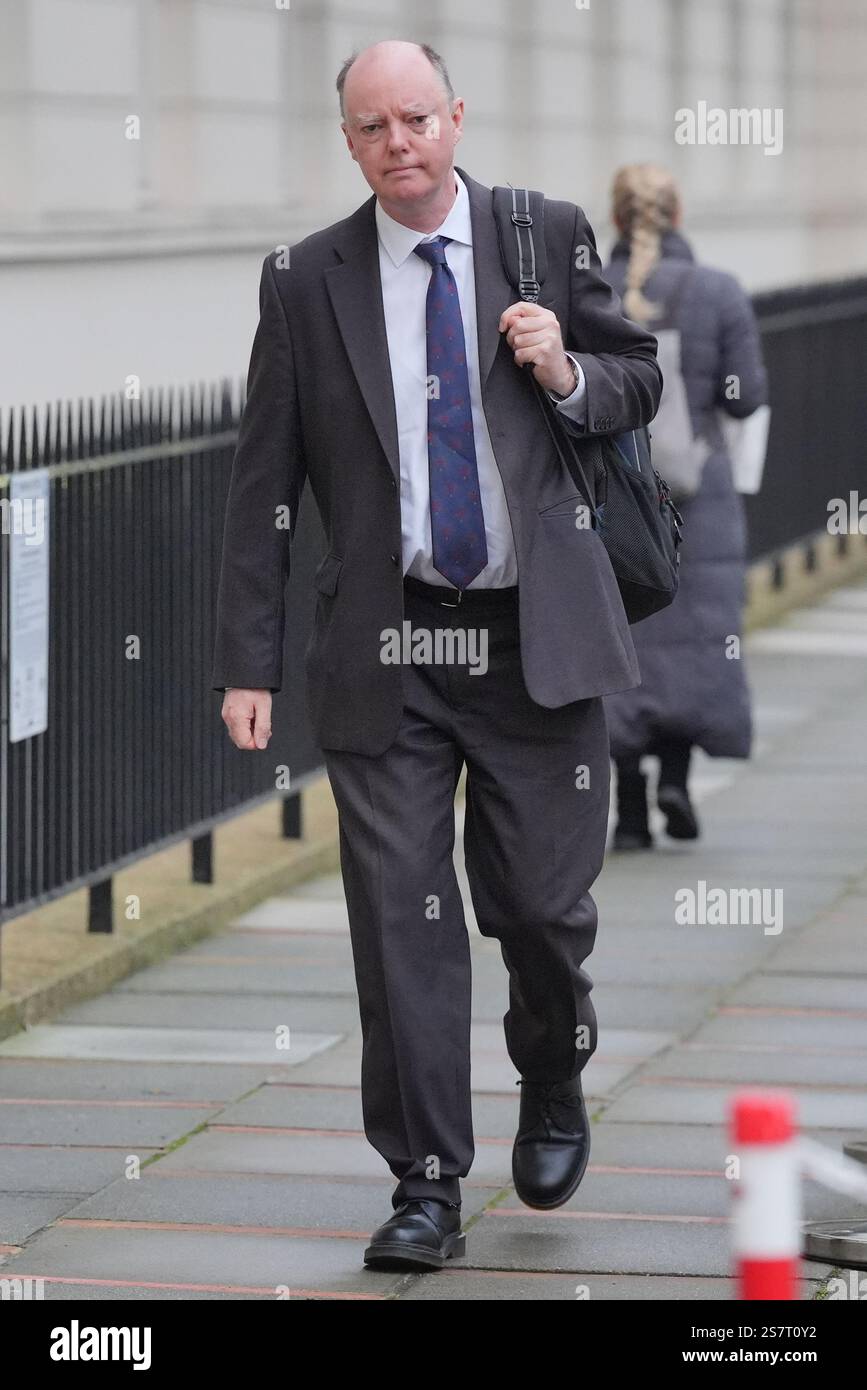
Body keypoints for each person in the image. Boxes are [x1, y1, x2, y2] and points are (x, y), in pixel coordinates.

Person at [211, 40, 661, 1271]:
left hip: (535, 643)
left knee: (539, 911)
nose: (399, 143)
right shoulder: (306, 282)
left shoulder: (543, 232)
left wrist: (564, 369)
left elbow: (641, 378)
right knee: (402, 918)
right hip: (391, 649)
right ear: (347, 142)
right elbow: (265, 489)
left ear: (455, 117)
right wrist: (247, 665)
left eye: (417, 117)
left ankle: (552, 1066)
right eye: (373, 127)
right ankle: (423, 1180)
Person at [602, 164, 768, 850]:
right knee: (695, 641)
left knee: (617, 650)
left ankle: (631, 811)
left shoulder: (586, 292)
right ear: (677, 214)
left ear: (615, 219)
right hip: (697, 503)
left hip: (608, 504)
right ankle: (675, 776)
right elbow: (744, 397)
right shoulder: (717, 292)